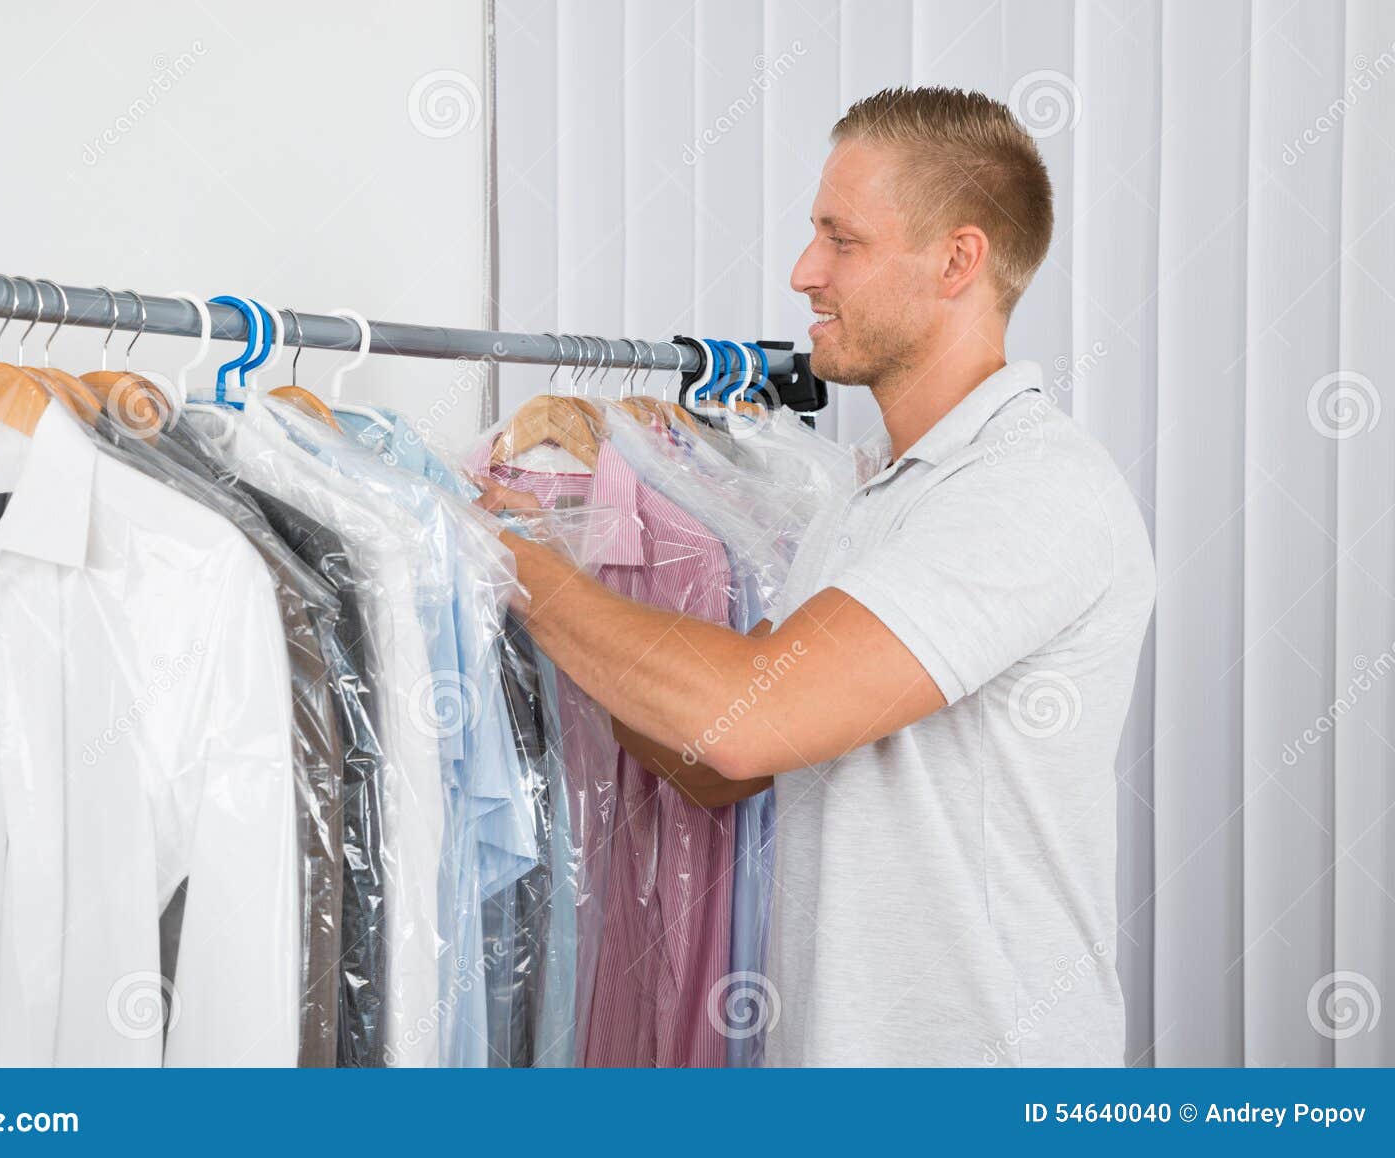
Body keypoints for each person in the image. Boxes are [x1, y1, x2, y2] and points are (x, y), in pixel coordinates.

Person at [474, 86, 1154, 1067]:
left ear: (957, 259)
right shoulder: (862, 498)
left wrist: (525, 570)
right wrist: (551, 606)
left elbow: (755, 719)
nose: (803, 273)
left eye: (842, 240)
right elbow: (711, 762)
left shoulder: (1029, 488)